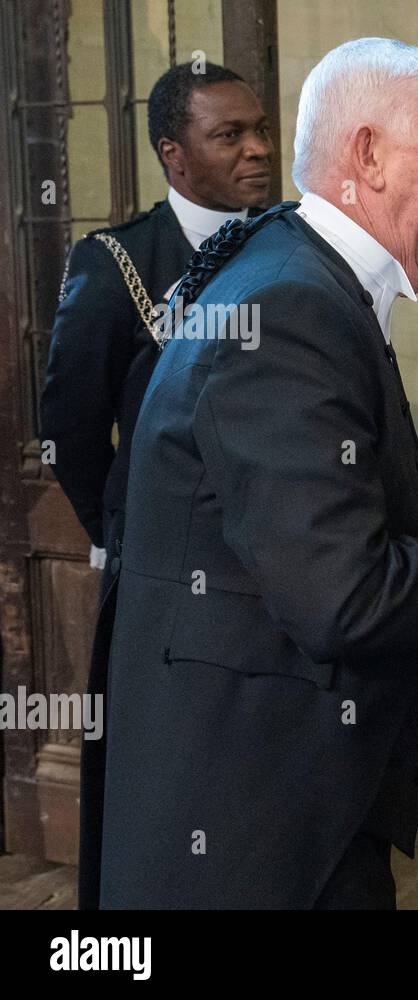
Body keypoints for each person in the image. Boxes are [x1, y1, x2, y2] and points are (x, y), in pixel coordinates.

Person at [95, 37, 418, 909]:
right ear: (368, 156)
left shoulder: (294, 271)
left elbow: (280, 510)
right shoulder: (293, 306)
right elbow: (339, 597)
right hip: (260, 824)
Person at [40, 60, 272, 910]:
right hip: (164, 578)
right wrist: (131, 537)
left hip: (276, 567)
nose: (256, 150)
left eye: (259, 130)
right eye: (229, 136)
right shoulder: (118, 263)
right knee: (169, 791)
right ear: (175, 155)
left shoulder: (289, 240)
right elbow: (68, 433)